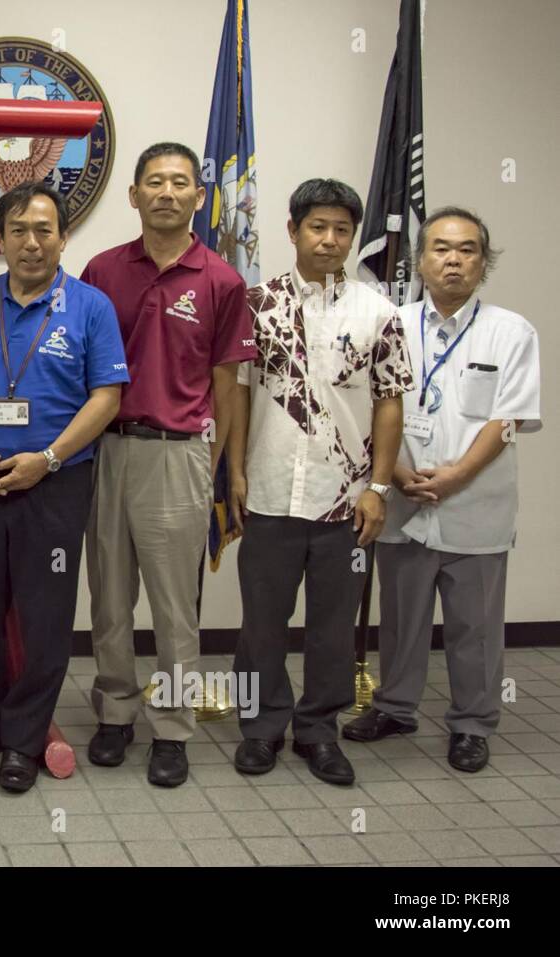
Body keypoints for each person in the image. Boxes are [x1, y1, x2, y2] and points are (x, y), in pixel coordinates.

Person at [228, 178, 414, 786]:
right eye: (317, 227)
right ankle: (261, 729)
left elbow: (389, 402)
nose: (329, 240)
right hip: (270, 493)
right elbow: (235, 394)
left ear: (352, 237)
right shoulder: (256, 305)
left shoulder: (379, 313)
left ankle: (318, 731)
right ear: (293, 231)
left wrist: (379, 488)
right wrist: (232, 472)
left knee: (334, 628)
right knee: (262, 623)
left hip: (346, 502)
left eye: (341, 230)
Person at [79, 143, 255, 786]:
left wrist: (219, 466)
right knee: (109, 596)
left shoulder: (221, 280)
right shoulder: (100, 271)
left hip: (179, 454)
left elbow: (228, 382)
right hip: (106, 452)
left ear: (199, 197)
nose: (167, 192)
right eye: (154, 182)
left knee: (176, 608)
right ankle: (116, 712)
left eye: (180, 182)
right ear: (134, 195)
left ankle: (173, 728)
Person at [0, 182, 127, 793]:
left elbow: (107, 397)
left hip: (55, 482)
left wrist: (47, 459)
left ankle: (24, 739)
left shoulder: (91, 307)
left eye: (43, 229)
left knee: (46, 615)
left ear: (63, 237)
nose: (30, 242)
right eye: (17, 230)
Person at [344, 208, 542, 773]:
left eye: (467, 250)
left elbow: (509, 418)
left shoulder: (511, 331)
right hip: (403, 496)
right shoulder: (391, 323)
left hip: (474, 502)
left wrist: (457, 475)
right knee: (402, 616)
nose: (453, 259)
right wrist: (397, 474)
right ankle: (396, 707)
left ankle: (473, 724)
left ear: (483, 261)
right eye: (441, 249)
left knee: (474, 625)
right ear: (420, 260)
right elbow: (373, 405)